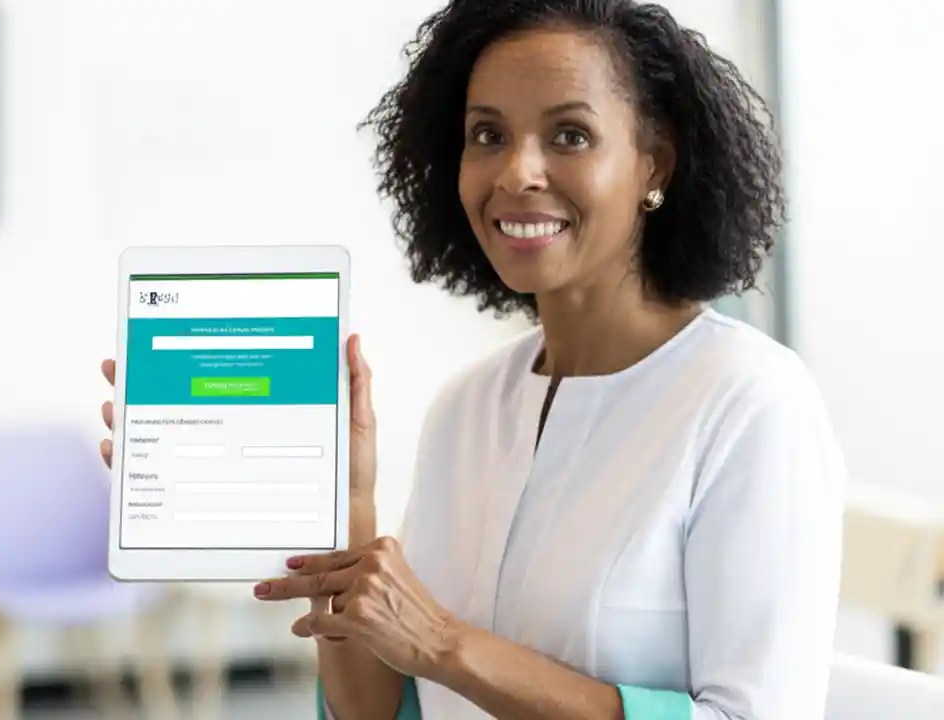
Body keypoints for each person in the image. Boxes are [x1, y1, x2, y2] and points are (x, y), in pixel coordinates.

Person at [100, 0, 844, 717]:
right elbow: (378, 710)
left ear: (655, 165)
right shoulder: (467, 406)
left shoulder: (751, 403)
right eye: (487, 135)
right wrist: (344, 507)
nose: (517, 171)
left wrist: (445, 645)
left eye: (571, 136)